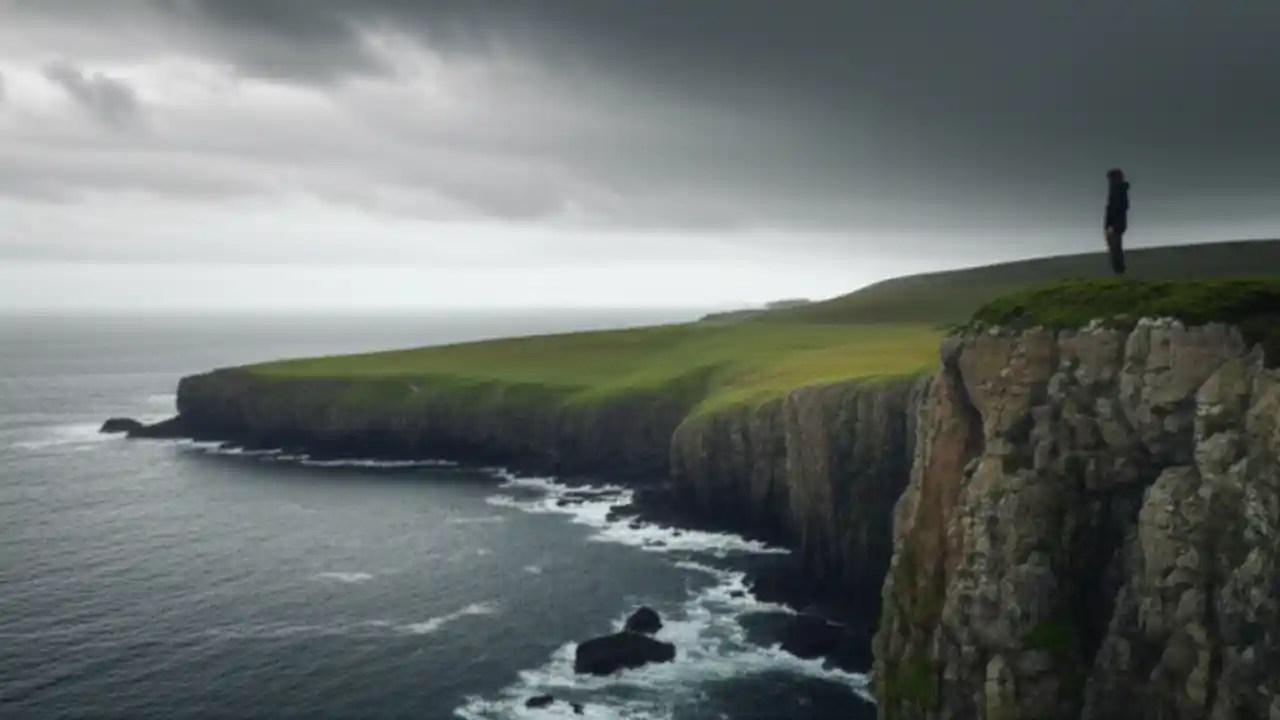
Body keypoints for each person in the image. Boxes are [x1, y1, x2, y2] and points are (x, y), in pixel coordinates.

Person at [1104, 168, 1130, 275]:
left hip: (1115, 225)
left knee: (1115, 248)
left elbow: (1115, 209)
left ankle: (1119, 271)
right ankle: (1118, 270)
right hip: (1116, 224)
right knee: (1114, 247)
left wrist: (1111, 225)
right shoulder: (1117, 190)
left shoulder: (1117, 190)